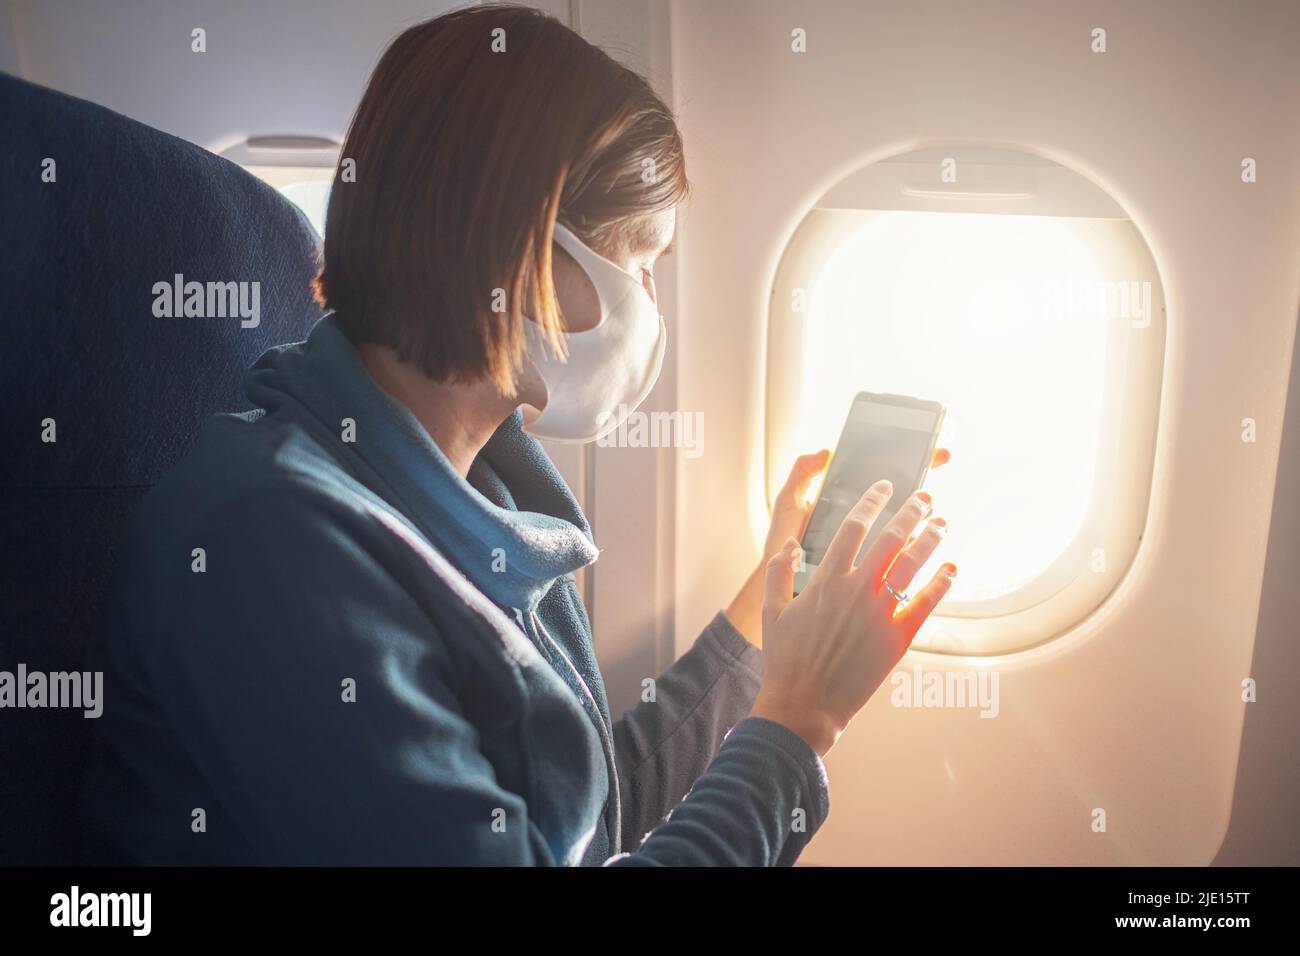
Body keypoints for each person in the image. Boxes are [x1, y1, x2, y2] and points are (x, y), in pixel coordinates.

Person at [82, 3, 955, 866]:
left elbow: (585, 827)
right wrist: (801, 722)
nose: (652, 311)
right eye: (643, 263)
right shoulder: (268, 543)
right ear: (528, 251)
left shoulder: (487, 496)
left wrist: (764, 623)